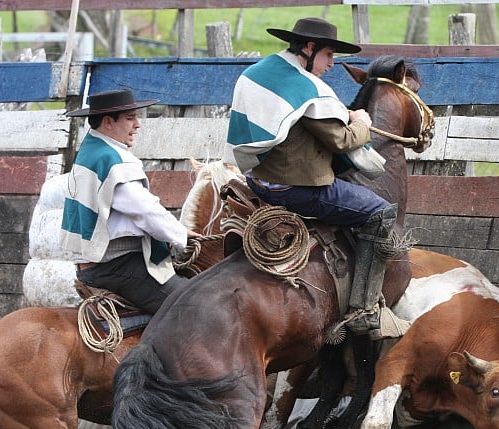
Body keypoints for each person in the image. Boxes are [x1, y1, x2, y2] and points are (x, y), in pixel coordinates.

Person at [226, 17, 397, 338]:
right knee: (381, 212)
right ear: (309, 48)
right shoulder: (306, 88)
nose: (332, 64)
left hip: (259, 179)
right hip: (297, 188)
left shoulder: (262, 73)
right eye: (329, 54)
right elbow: (342, 141)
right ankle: (365, 307)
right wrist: (361, 120)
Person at [61, 89, 199, 314]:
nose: (137, 125)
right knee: (191, 306)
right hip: (115, 265)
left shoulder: (91, 151)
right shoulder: (113, 161)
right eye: (130, 118)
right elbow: (146, 211)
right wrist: (182, 236)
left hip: (95, 263)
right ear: (108, 122)